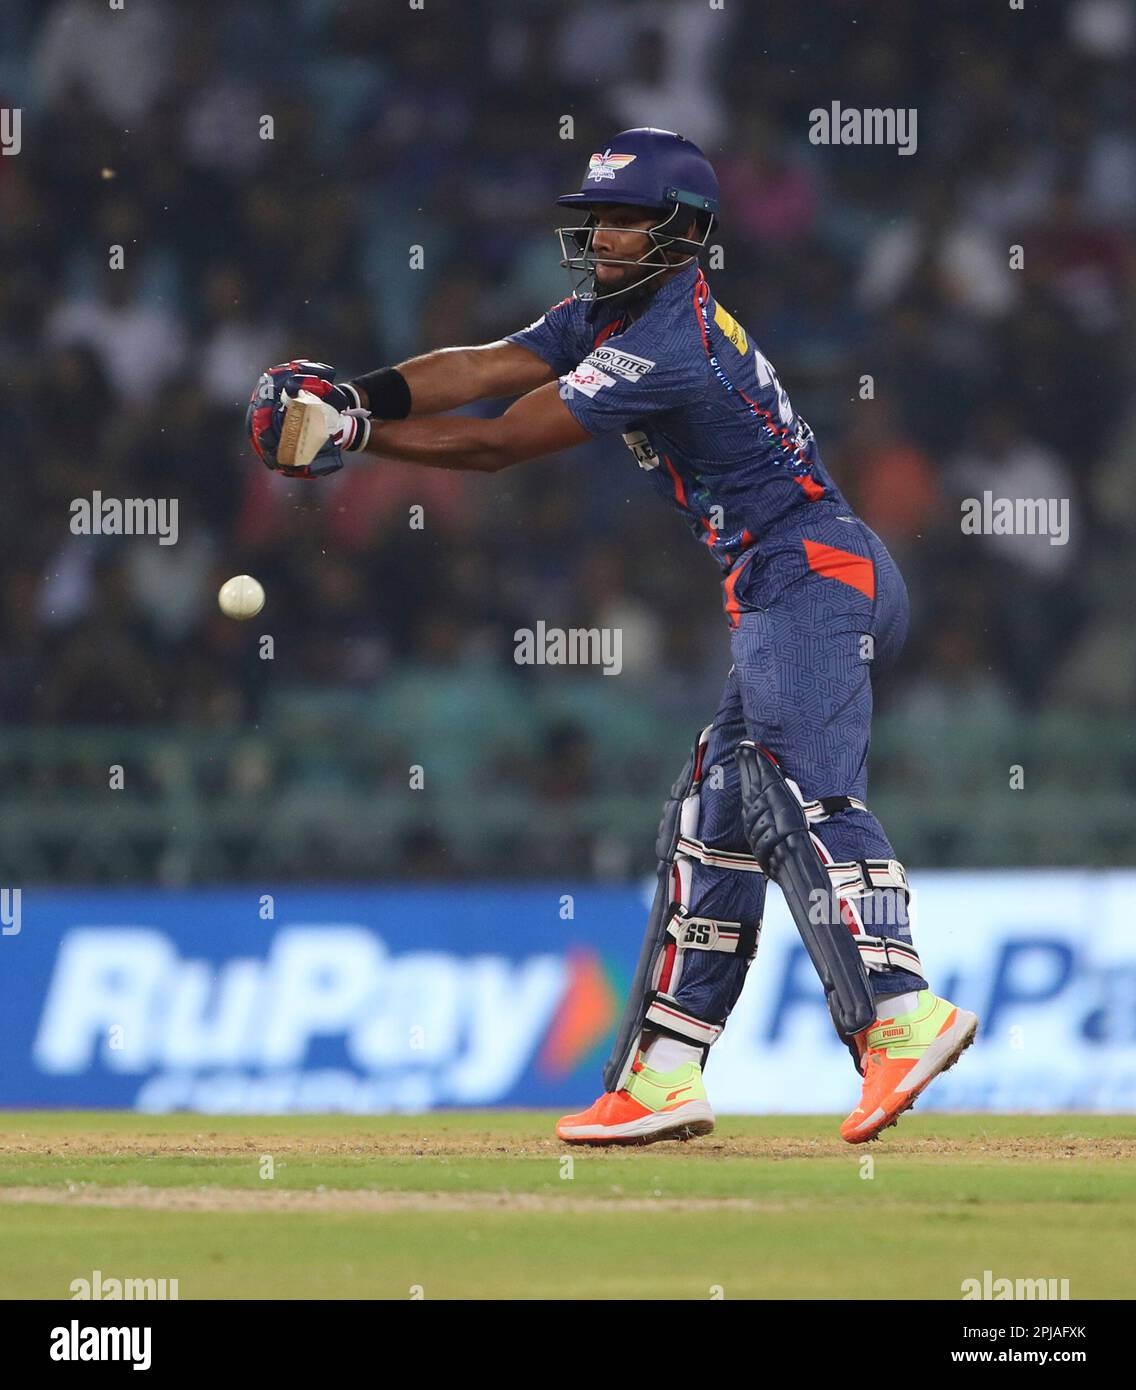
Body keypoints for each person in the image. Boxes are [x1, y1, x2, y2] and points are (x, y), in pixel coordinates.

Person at [247, 127, 978, 1145]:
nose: (601, 234)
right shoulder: (612, 312)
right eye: (594, 217)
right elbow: (484, 365)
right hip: (796, 576)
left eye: (626, 219)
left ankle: (901, 1015)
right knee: (711, 813)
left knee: (791, 787)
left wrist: (356, 437)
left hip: (812, 572)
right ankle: (662, 1074)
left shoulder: (663, 342)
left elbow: (502, 440)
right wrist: (355, 394)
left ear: (683, 233)